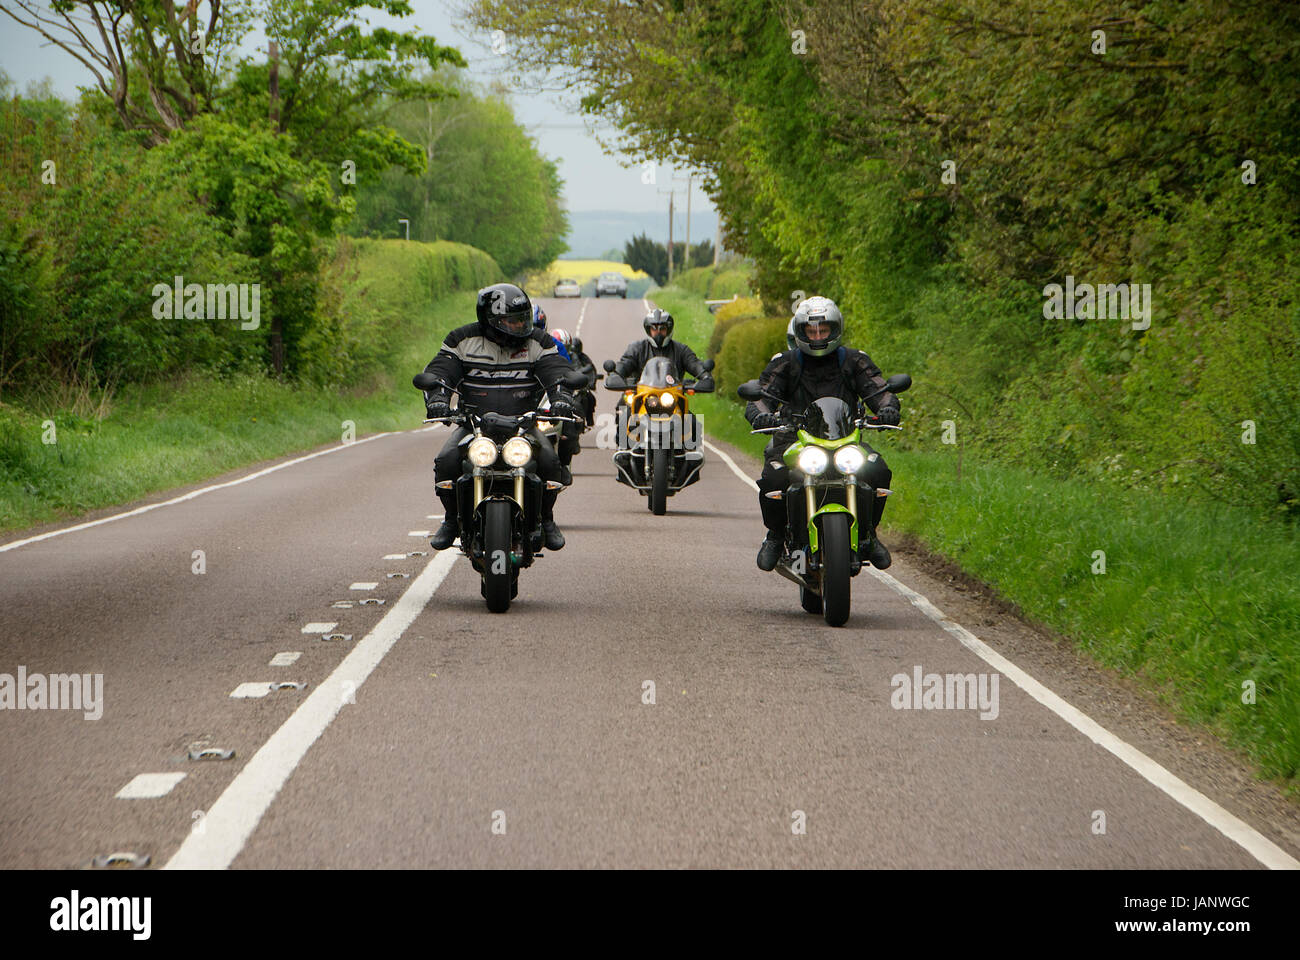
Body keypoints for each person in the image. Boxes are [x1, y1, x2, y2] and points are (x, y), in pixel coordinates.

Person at [745, 296, 900, 571]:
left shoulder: (854, 360)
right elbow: (762, 394)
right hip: (794, 441)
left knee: (878, 471)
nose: (817, 337)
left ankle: (868, 534)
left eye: (823, 330)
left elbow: (879, 390)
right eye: (811, 331)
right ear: (801, 332)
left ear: (835, 329)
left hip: (844, 442)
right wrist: (760, 413)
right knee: (774, 476)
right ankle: (776, 535)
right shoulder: (787, 362)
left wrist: (887, 409)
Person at [418, 283, 576, 552]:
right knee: (446, 461)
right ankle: (450, 520)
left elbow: (557, 370)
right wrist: (438, 400)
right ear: (490, 320)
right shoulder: (461, 340)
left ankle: (547, 520)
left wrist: (561, 395)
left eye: (522, 319)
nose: (520, 326)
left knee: (551, 462)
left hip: (524, 426)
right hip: (474, 425)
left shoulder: (539, 342)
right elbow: (441, 371)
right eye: (512, 321)